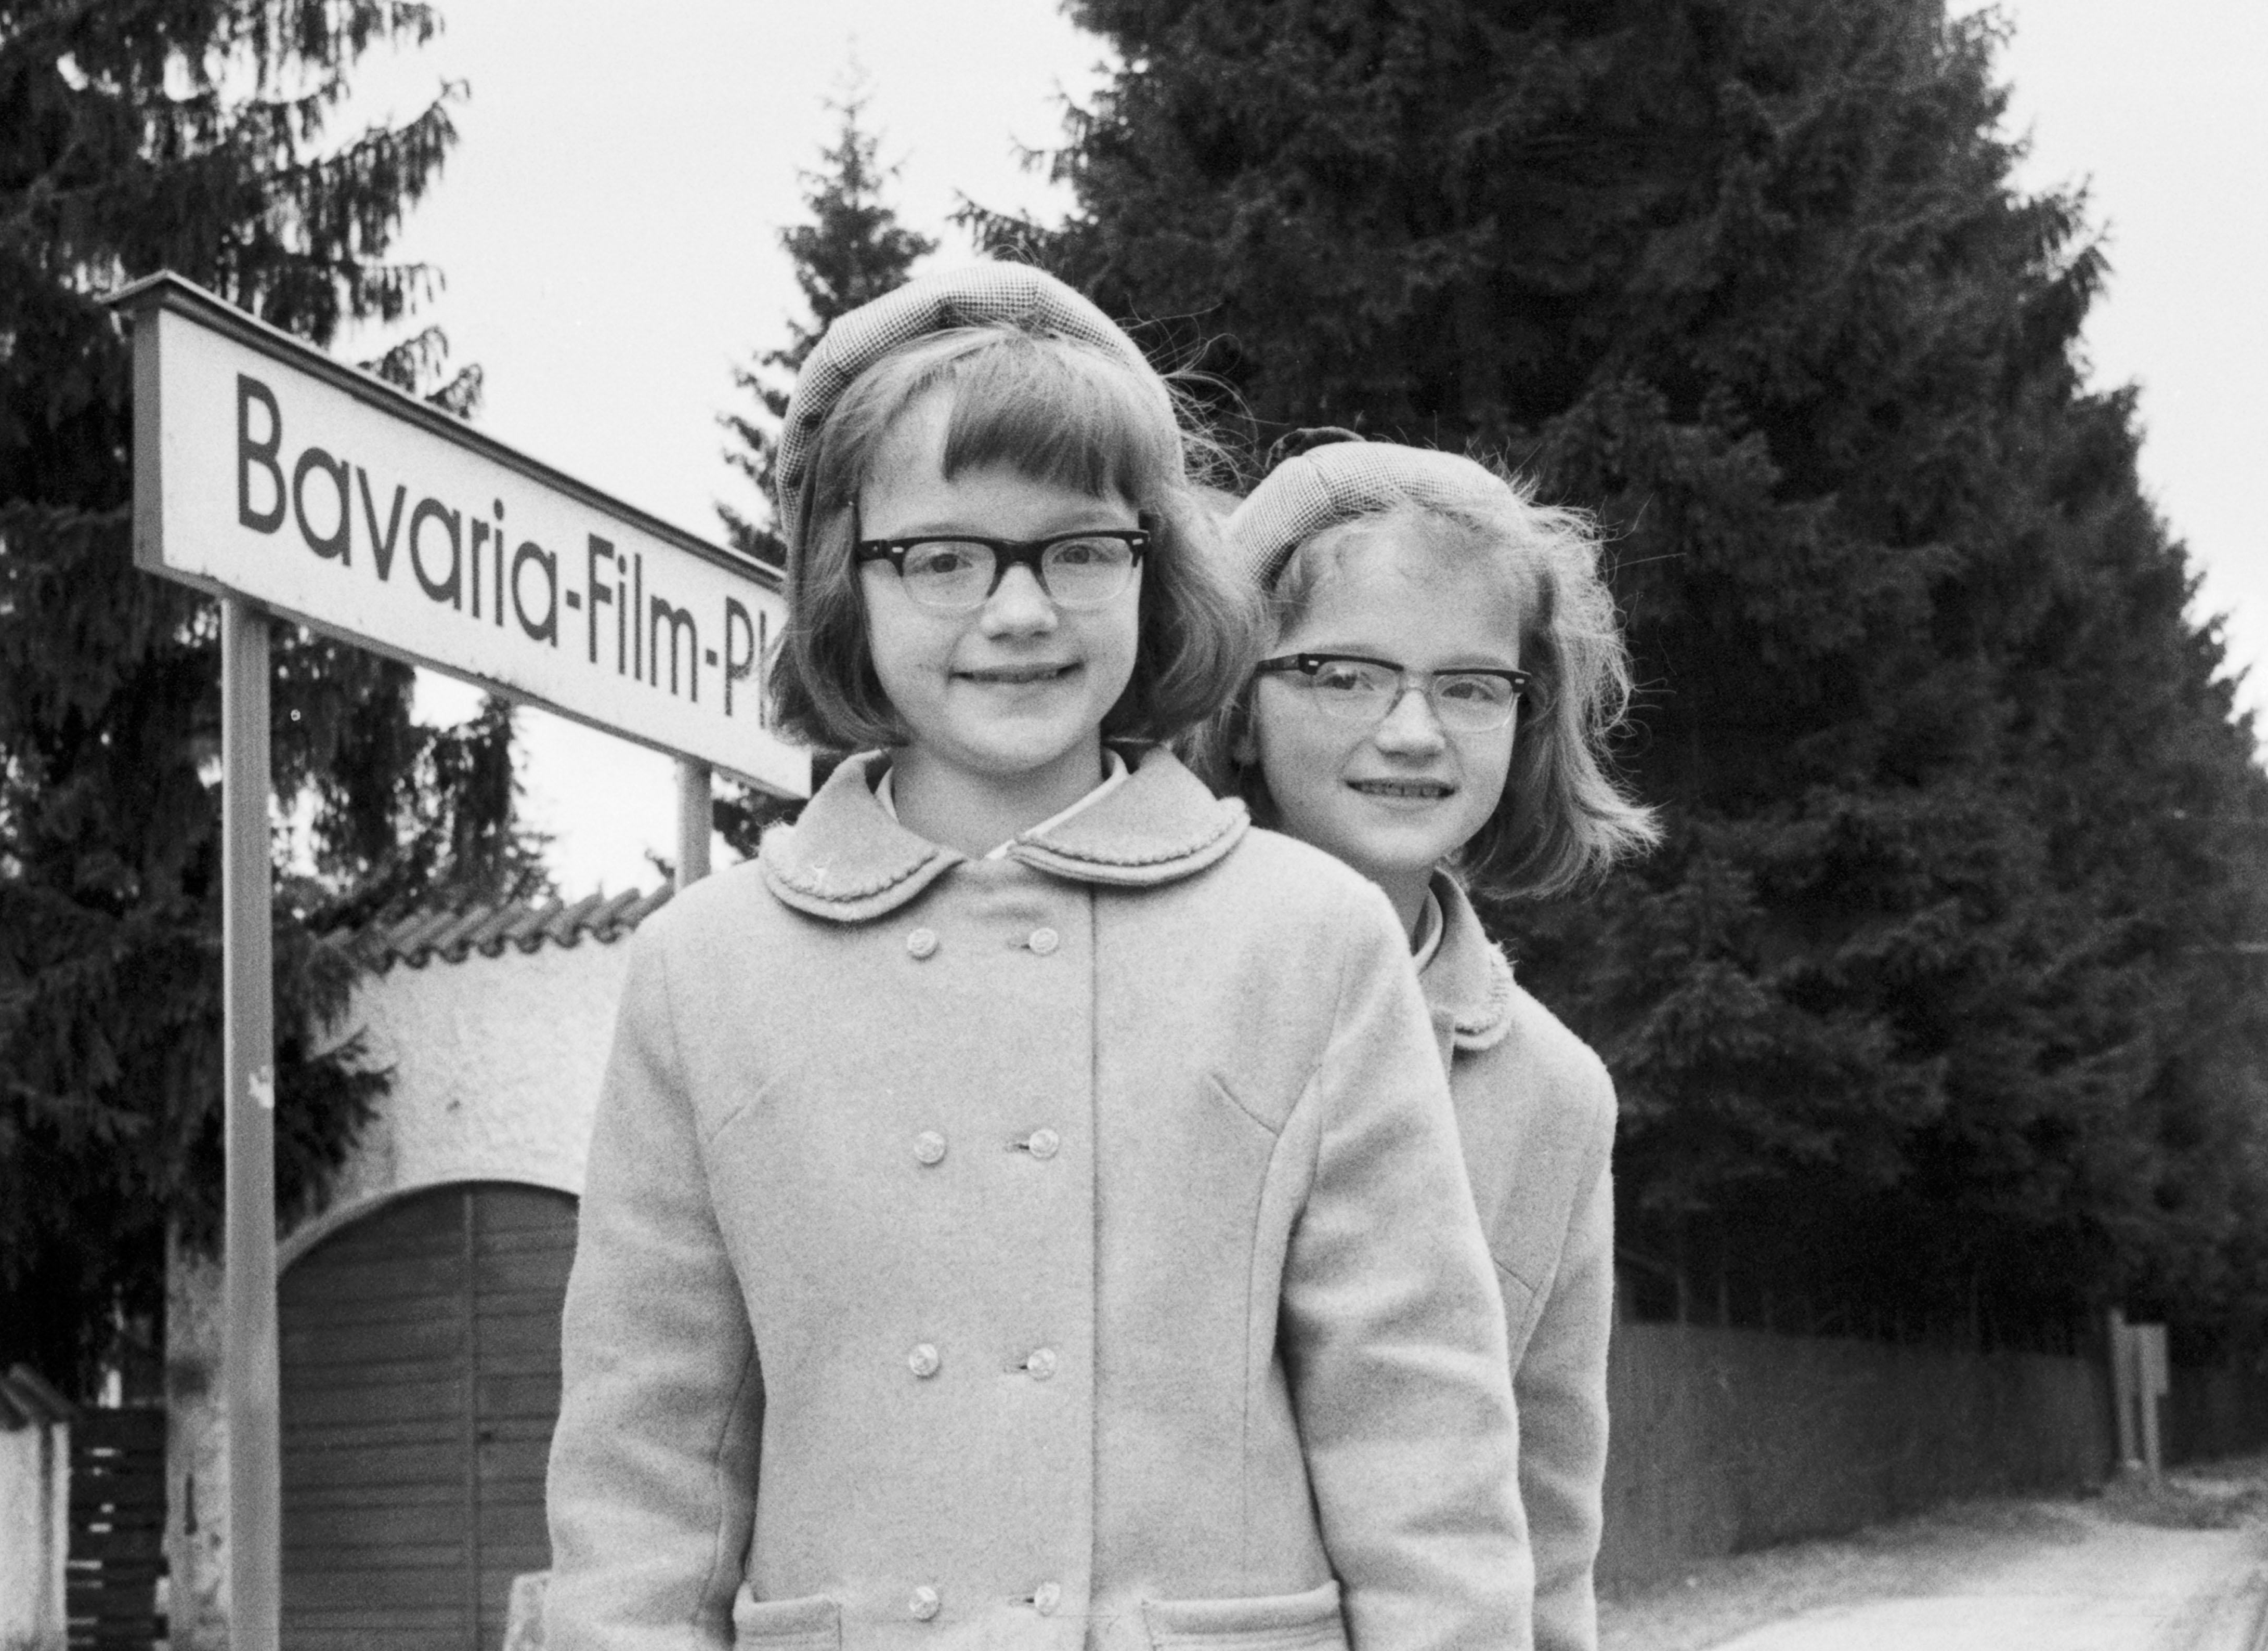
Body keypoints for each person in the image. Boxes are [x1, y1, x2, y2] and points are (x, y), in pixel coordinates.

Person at [544, 268, 1535, 1651]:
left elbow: (1417, 1438)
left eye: (1079, 550)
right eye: (943, 558)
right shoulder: (703, 971)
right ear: (846, 580)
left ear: (1151, 568)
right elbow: (644, 1477)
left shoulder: (1304, 938)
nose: (1019, 612)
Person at [1206, 438, 1660, 1651]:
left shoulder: (1555, 1091)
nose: (1414, 731)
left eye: (1469, 686)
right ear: (1238, 707)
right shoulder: (1126, 986)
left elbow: (1544, 1526)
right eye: (1347, 674)